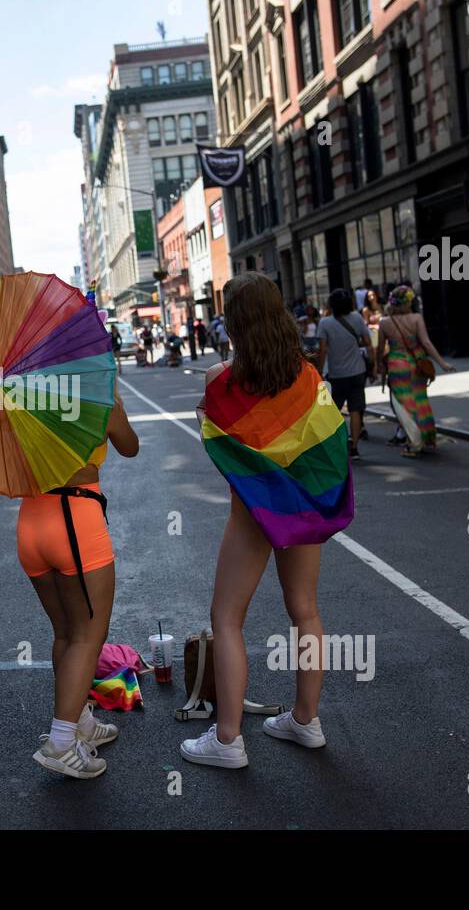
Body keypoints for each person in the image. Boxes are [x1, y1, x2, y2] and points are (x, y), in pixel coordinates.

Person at [179, 273, 348, 769]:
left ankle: (228, 739)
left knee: (227, 618)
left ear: (232, 321)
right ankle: (305, 720)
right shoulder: (308, 377)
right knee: (306, 612)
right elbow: (327, 447)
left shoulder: (219, 379)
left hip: (250, 516)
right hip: (299, 510)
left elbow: (225, 453)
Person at [23, 386, 139, 779]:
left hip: (31, 522)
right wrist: (114, 400)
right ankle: (59, 742)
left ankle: (80, 721)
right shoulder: (97, 394)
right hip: (76, 520)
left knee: (66, 633)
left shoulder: (25, 397)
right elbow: (130, 446)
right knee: (88, 637)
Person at [376, 286, 455, 456]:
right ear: (409, 302)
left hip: (396, 366)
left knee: (402, 405)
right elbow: (426, 343)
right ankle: (425, 437)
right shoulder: (417, 318)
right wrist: (442, 363)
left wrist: (378, 366)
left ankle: (414, 441)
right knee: (419, 401)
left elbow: (381, 347)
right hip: (416, 365)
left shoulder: (384, 322)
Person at [316, 289, 375, 460]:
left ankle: (339, 444)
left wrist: (319, 372)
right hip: (358, 372)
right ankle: (354, 447)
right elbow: (368, 344)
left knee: (333, 412)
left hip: (337, 374)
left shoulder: (325, 323)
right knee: (356, 409)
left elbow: (322, 350)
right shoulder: (357, 318)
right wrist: (373, 365)